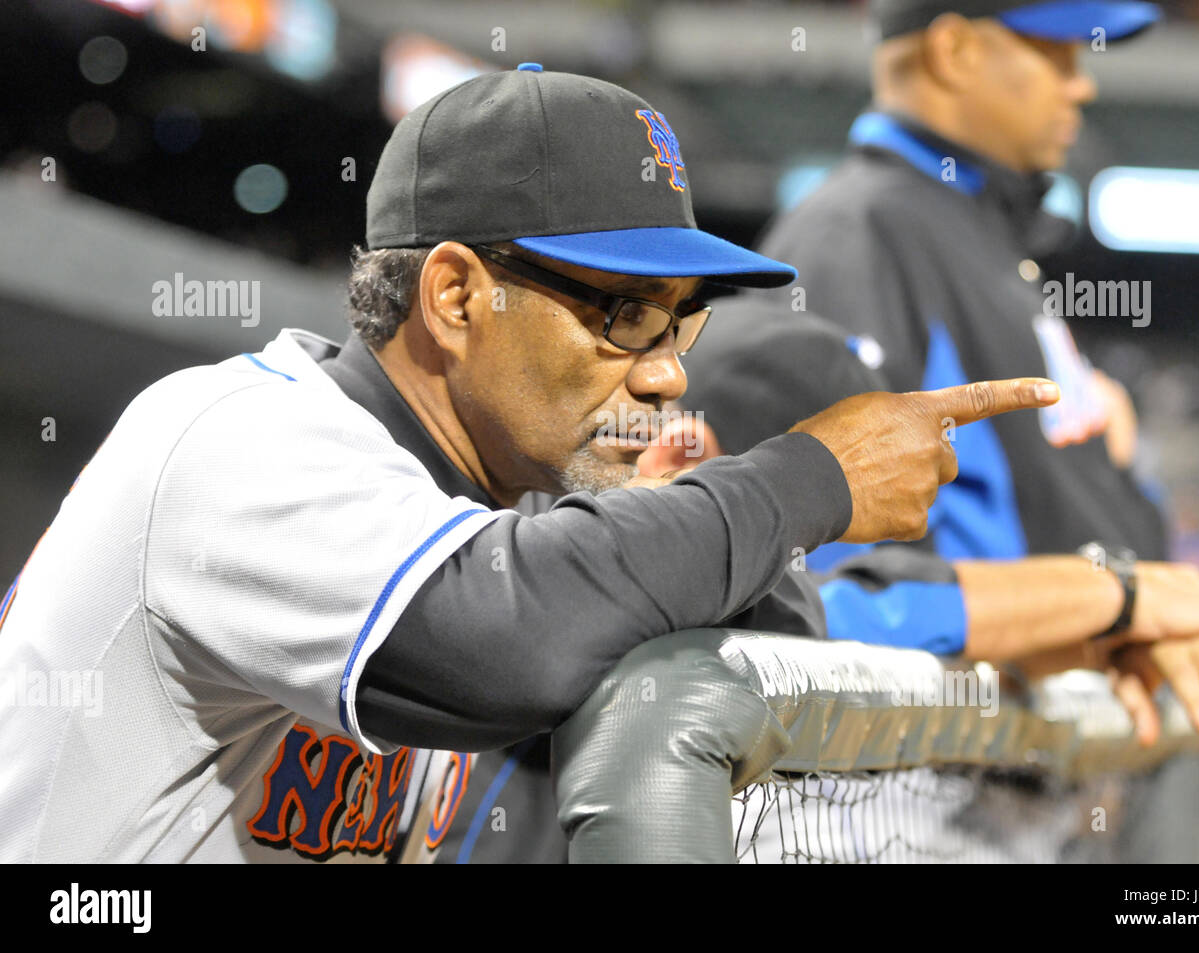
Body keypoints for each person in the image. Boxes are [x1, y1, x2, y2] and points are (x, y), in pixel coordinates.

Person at [0, 64, 1056, 863]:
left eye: (680, 326)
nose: (665, 377)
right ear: (456, 298)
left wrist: (692, 541)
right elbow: (499, 635)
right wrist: (813, 475)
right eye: (625, 316)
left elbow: (774, 649)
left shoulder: (508, 506)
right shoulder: (235, 436)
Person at [747, 0, 1199, 729]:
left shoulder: (972, 235)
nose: (1082, 85)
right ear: (954, 50)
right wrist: (1119, 606)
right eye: (1058, 53)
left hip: (1010, 778)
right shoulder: (860, 231)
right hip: (910, 800)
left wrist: (1138, 619)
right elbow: (819, 592)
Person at [677, 300, 1199, 748]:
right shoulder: (640, 577)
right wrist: (1121, 597)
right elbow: (833, 613)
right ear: (681, 451)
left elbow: (875, 614)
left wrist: (1101, 637)